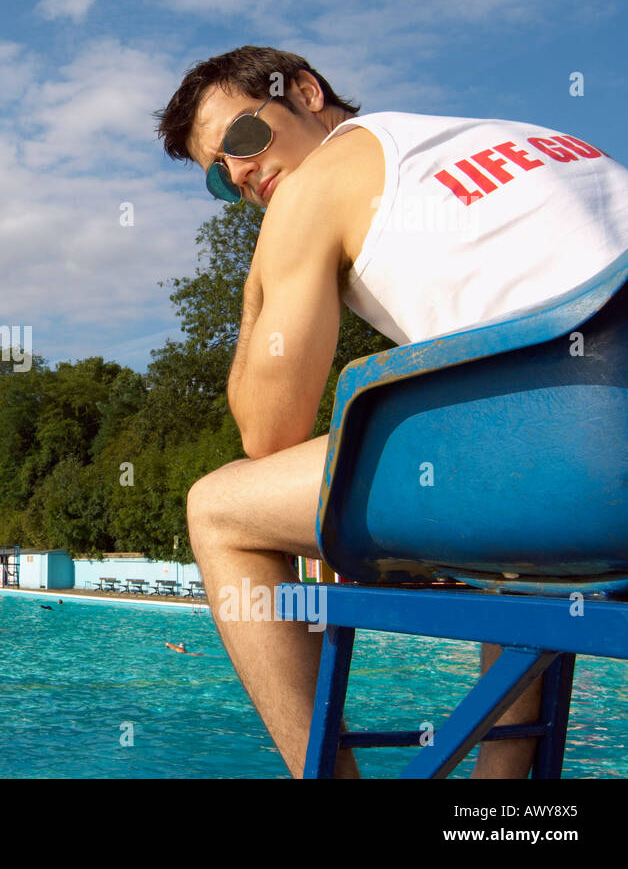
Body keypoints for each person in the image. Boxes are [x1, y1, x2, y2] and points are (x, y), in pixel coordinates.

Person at [155, 45, 628, 779]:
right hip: (566, 455)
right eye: (219, 178)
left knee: (219, 510)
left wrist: (260, 273)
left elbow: (267, 432)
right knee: (512, 558)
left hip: (582, 468)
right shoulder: (516, 138)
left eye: (243, 141)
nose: (241, 175)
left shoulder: (320, 183)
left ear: (306, 92)